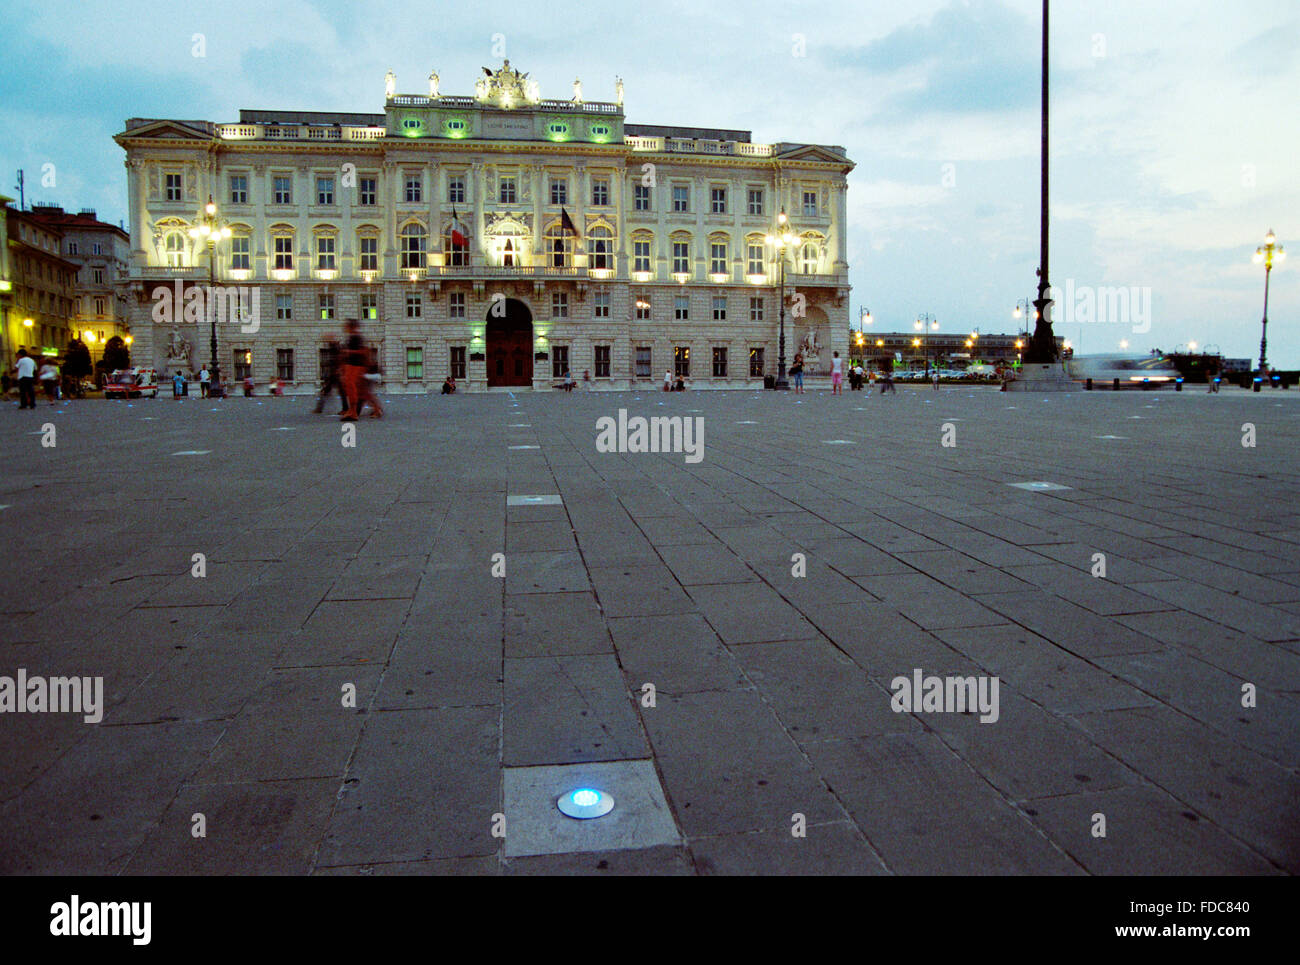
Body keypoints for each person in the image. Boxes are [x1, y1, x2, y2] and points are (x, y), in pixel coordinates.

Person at [314, 337, 345, 414]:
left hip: (335, 375)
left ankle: (319, 408)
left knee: (329, 391)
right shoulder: (336, 352)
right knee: (338, 392)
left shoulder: (336, 353)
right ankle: (319, 408)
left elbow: (338, 362)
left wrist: (337, 371)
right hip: (334, 375)